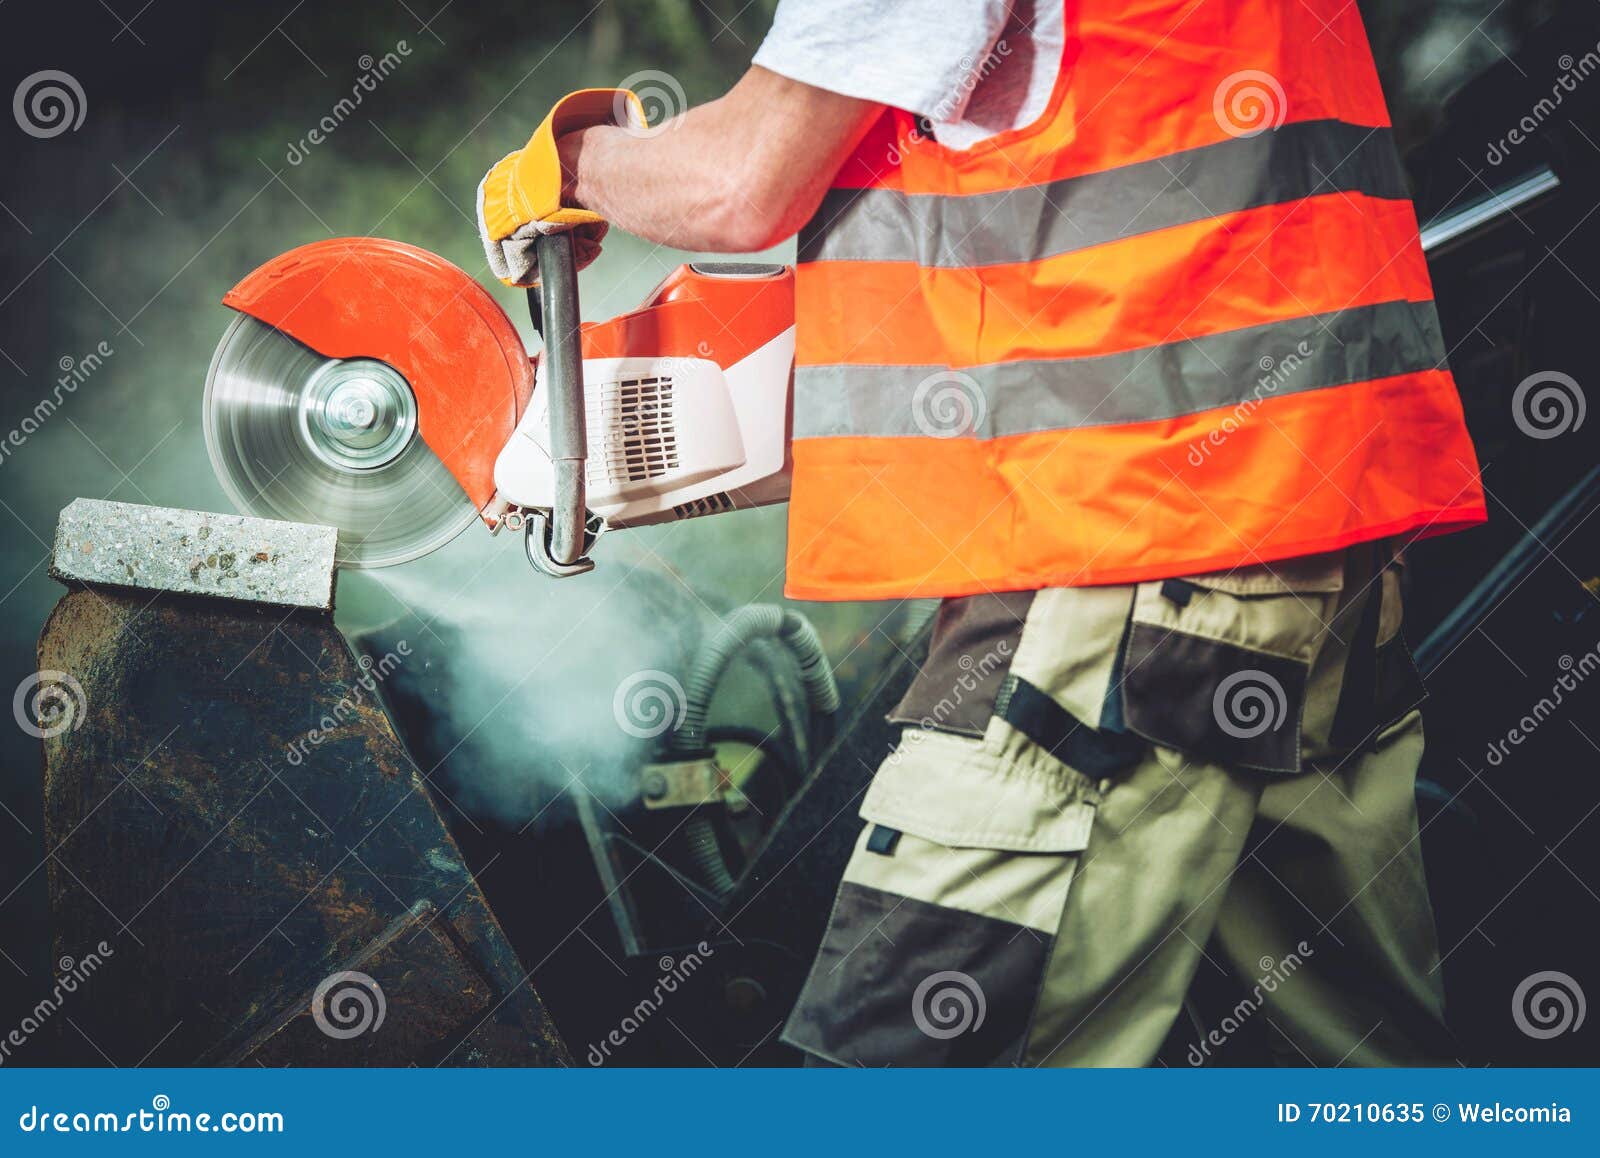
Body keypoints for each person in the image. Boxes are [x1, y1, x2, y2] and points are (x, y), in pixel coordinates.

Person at [478, 0, 1485, 1066]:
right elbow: (1047, 276)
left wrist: (567, 165)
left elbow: (738, 184)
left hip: (1121, 581)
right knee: (1356, 1073)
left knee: (888, 1073)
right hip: (1301, 554)